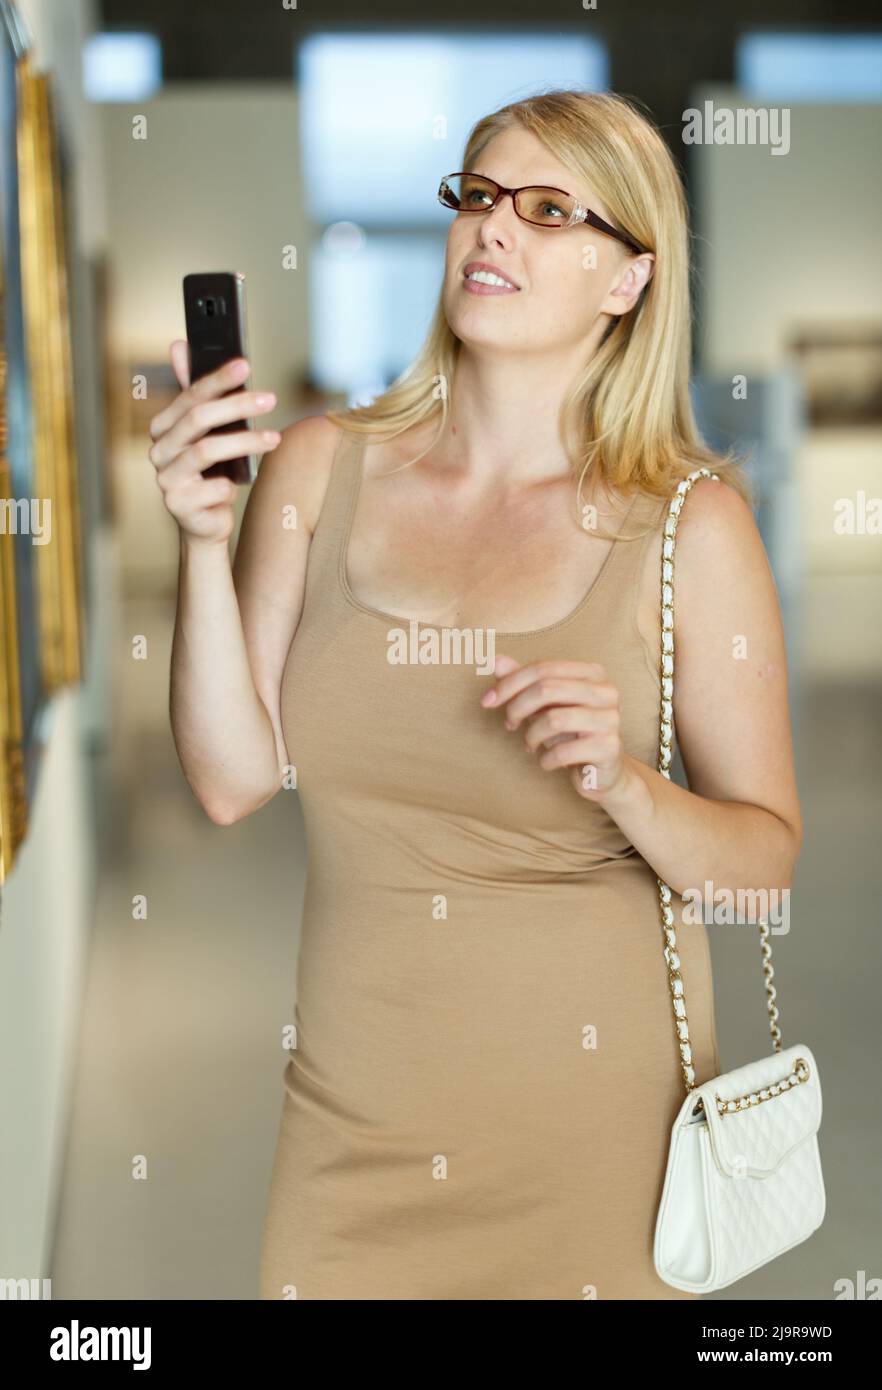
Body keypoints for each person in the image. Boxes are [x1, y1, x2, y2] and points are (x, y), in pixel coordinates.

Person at [149, 90, 802, 1300]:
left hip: (604, 1156)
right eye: (480, 195)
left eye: (551, 211)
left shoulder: (689, 527)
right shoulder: (315, 467)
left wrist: (625, 782)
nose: (494, 229)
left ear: (629, 282)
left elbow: (761, 871)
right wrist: (200, 540)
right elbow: (234, 780)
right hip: (350, 1137)